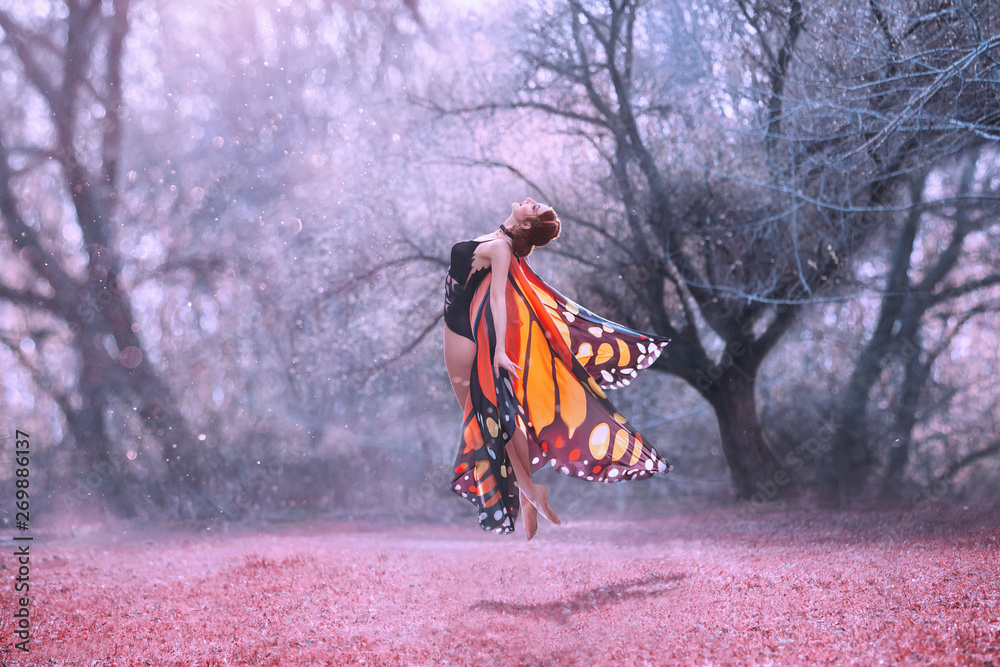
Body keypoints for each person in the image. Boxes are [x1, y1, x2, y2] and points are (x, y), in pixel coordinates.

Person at [443, 197, 672, 539]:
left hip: (465, 332)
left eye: (533, 210)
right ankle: (528, 494)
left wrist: (501, 351)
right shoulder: (503, 242)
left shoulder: (503, 250)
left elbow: (496, 300)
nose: (531, 202)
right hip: (465, 323)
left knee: (486, 417)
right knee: (490, 416)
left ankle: (529, 493)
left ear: (524, 225)